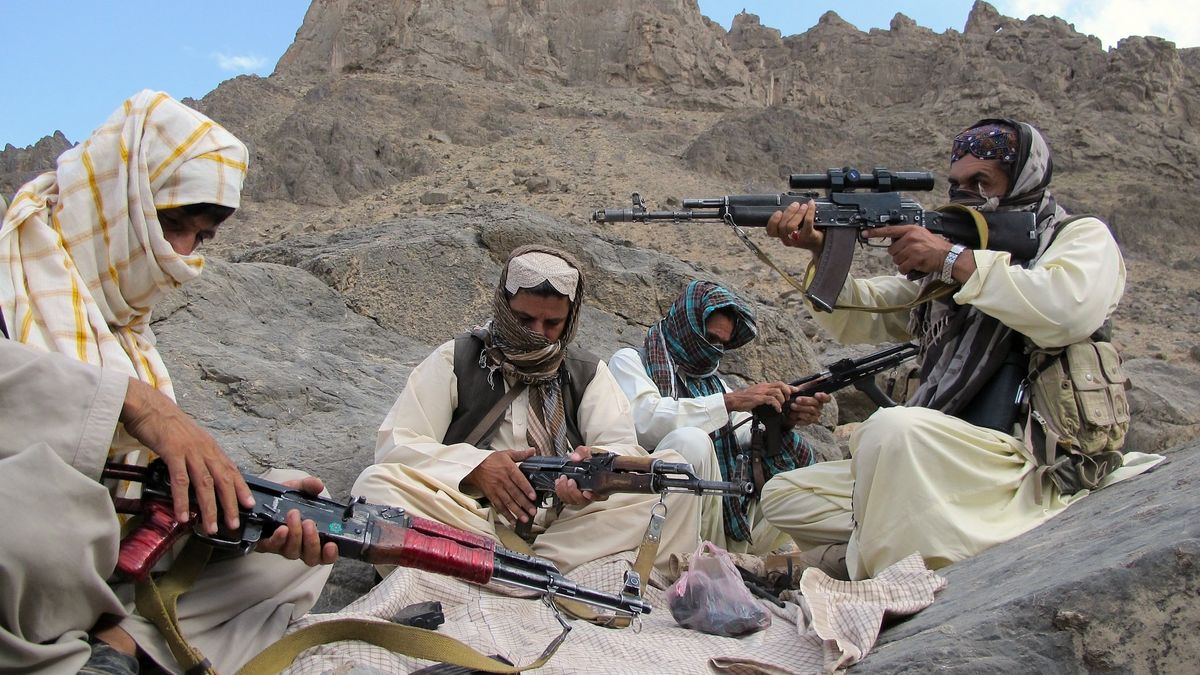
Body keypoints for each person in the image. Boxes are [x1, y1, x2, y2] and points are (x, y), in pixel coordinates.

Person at [0, 90, 334, 674]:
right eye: (171, 223)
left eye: (200, 238)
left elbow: (140, 490)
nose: (180, 254)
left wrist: (238, 516)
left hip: (114, 560)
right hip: (37, 551)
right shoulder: (14, 275)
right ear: (114, 194)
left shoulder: (123, 322)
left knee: (307, 517)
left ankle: (118, 649)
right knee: (39, 512)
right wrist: (133, 401)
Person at [756, 118, 1159, 581]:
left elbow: (1066, 309)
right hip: (947, 456)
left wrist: (952, 259)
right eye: (957, 183)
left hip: (1029, 466)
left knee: (892, 431)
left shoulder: (1077, 237)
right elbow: (864, 312)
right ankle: (916, 536)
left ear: (1023, 179)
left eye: (981, 182)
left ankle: (885, 567)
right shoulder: (952, 263)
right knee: (785, 495)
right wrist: (820, 250)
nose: (966, 193)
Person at [353, 245, 701, 576]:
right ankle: (525, 570)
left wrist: (592, 472)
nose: (539, 335)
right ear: (504, 306)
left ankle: (509, 570)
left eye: (552, 324)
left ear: (570, 318)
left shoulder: (588, 372)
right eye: (524, 320)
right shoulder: (455, 358)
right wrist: (476, 469)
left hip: (568, 528)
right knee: (376, 487)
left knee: (676, 485)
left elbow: (622, 447)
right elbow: (396, 444)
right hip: (475, 519)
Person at [608, 279, 828, 554]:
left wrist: (784, 419)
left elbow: (744, 437)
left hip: (722, 523)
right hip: (660, 514)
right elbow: (645, 421)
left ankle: (754, 562)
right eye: (710, 339)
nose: (715, 350)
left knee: (796, 460)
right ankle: (675, 553)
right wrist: (731, 401)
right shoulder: (630, 362)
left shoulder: (713, 384)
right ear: (687, 325)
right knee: (691, 442)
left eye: (723, 344)